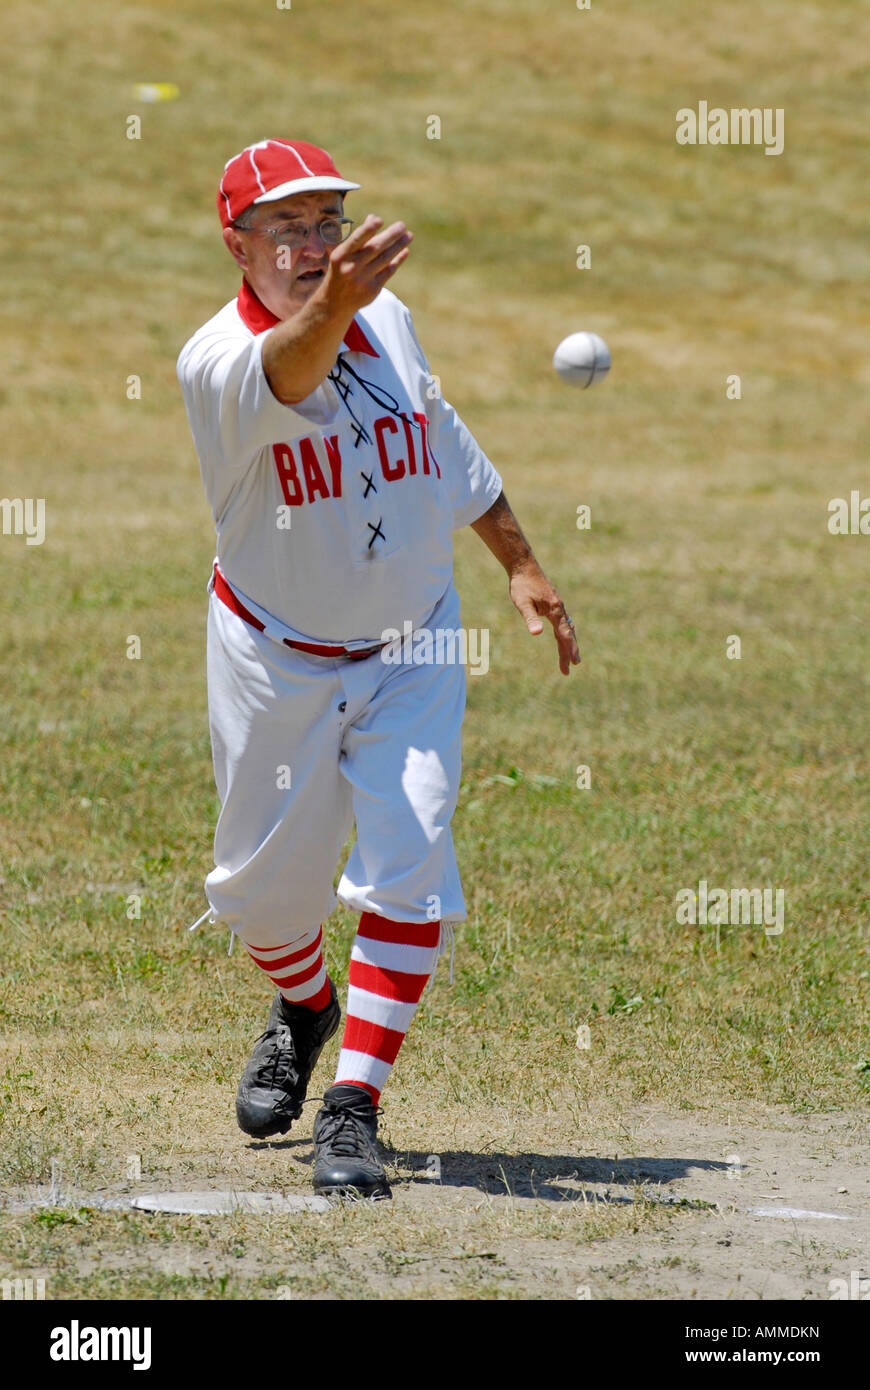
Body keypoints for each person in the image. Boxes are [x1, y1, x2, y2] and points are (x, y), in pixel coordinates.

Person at [177, 138, 580, 1199]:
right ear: (237, 245)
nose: (314, 246)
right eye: (287, 229)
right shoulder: (215, 362)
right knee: (265, 901)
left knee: (411, 854)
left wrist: (523, 563)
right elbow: (293, 366)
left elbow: (437, 435)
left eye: (329, 222)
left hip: (414, 642)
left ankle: (354, 1104)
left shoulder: (385, 317)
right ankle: (307, 1006)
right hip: (276, 660)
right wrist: (338, 302)